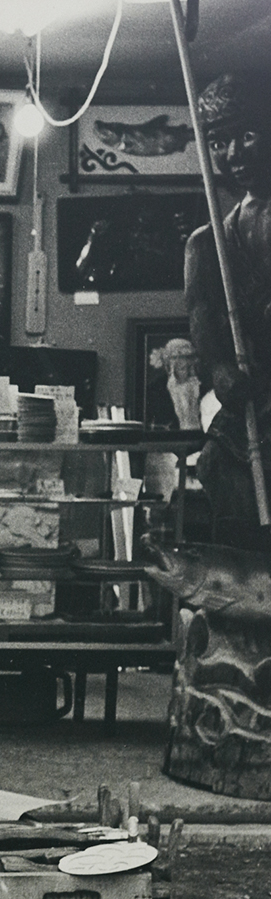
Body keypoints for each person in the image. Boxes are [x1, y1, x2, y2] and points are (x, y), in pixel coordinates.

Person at [185, 72, 271, 549]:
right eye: (218, 141)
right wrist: (220, 369)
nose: (234, 153)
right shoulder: (210, 242)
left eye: (248, 135)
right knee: (221, 473)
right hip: (248, 415)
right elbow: (201, 315)